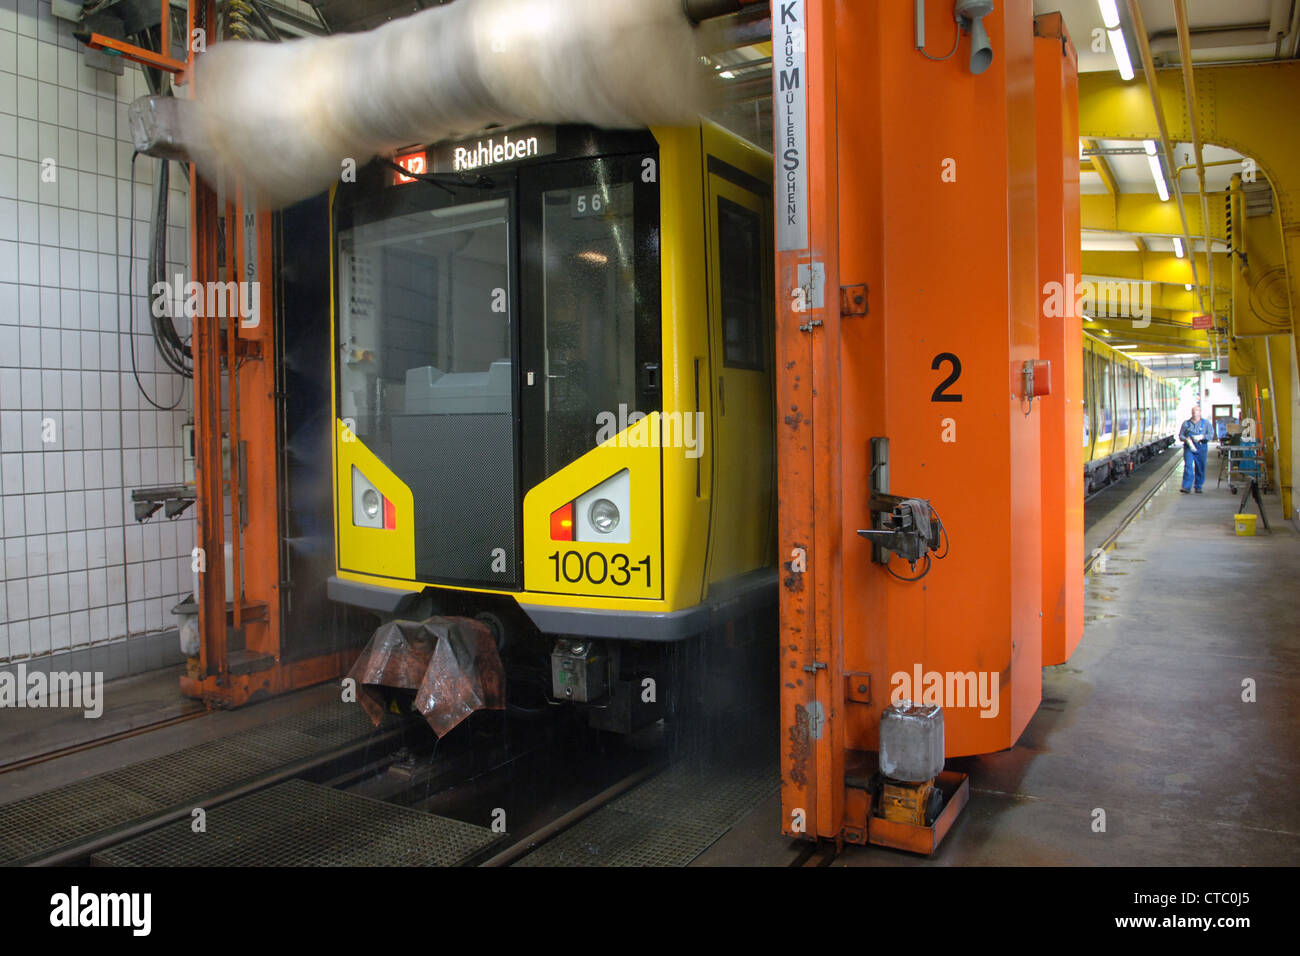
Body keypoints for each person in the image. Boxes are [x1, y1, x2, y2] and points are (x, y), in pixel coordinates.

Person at [1178, 405, 1212, 494]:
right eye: (1193, 413)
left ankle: (1198, 486)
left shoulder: (1206, 424)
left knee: (1200, 466)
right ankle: (1186, 487)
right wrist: (1185, 439)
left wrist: (1202, 437)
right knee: (1188, 466)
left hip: (1201, 447)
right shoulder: (1186, 423)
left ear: (1200, 413)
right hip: (1189, 447)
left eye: (1196, 413)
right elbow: (1181, 435)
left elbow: (1211, 435)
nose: (1194, 414)